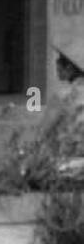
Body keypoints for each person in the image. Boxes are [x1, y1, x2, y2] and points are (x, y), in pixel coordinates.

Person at [38, 38, 84, 174]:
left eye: (59, 62)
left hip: (70, 165)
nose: (56, 65)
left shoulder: (63, 96)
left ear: (69, 68)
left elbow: (43, 133)